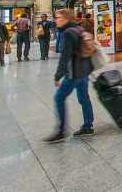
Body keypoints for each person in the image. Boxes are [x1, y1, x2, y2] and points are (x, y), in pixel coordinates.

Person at [44, 8, 95, 143]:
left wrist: (57, 75)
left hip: (74, 72)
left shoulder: (68, 33)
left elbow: (65, 56)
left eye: (58, 18)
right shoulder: (79, 29)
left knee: (59, 98)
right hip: (84, 70)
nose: (56, 20)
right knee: (84, 98)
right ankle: (88, 126)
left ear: (66, 18)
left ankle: (61, 131)